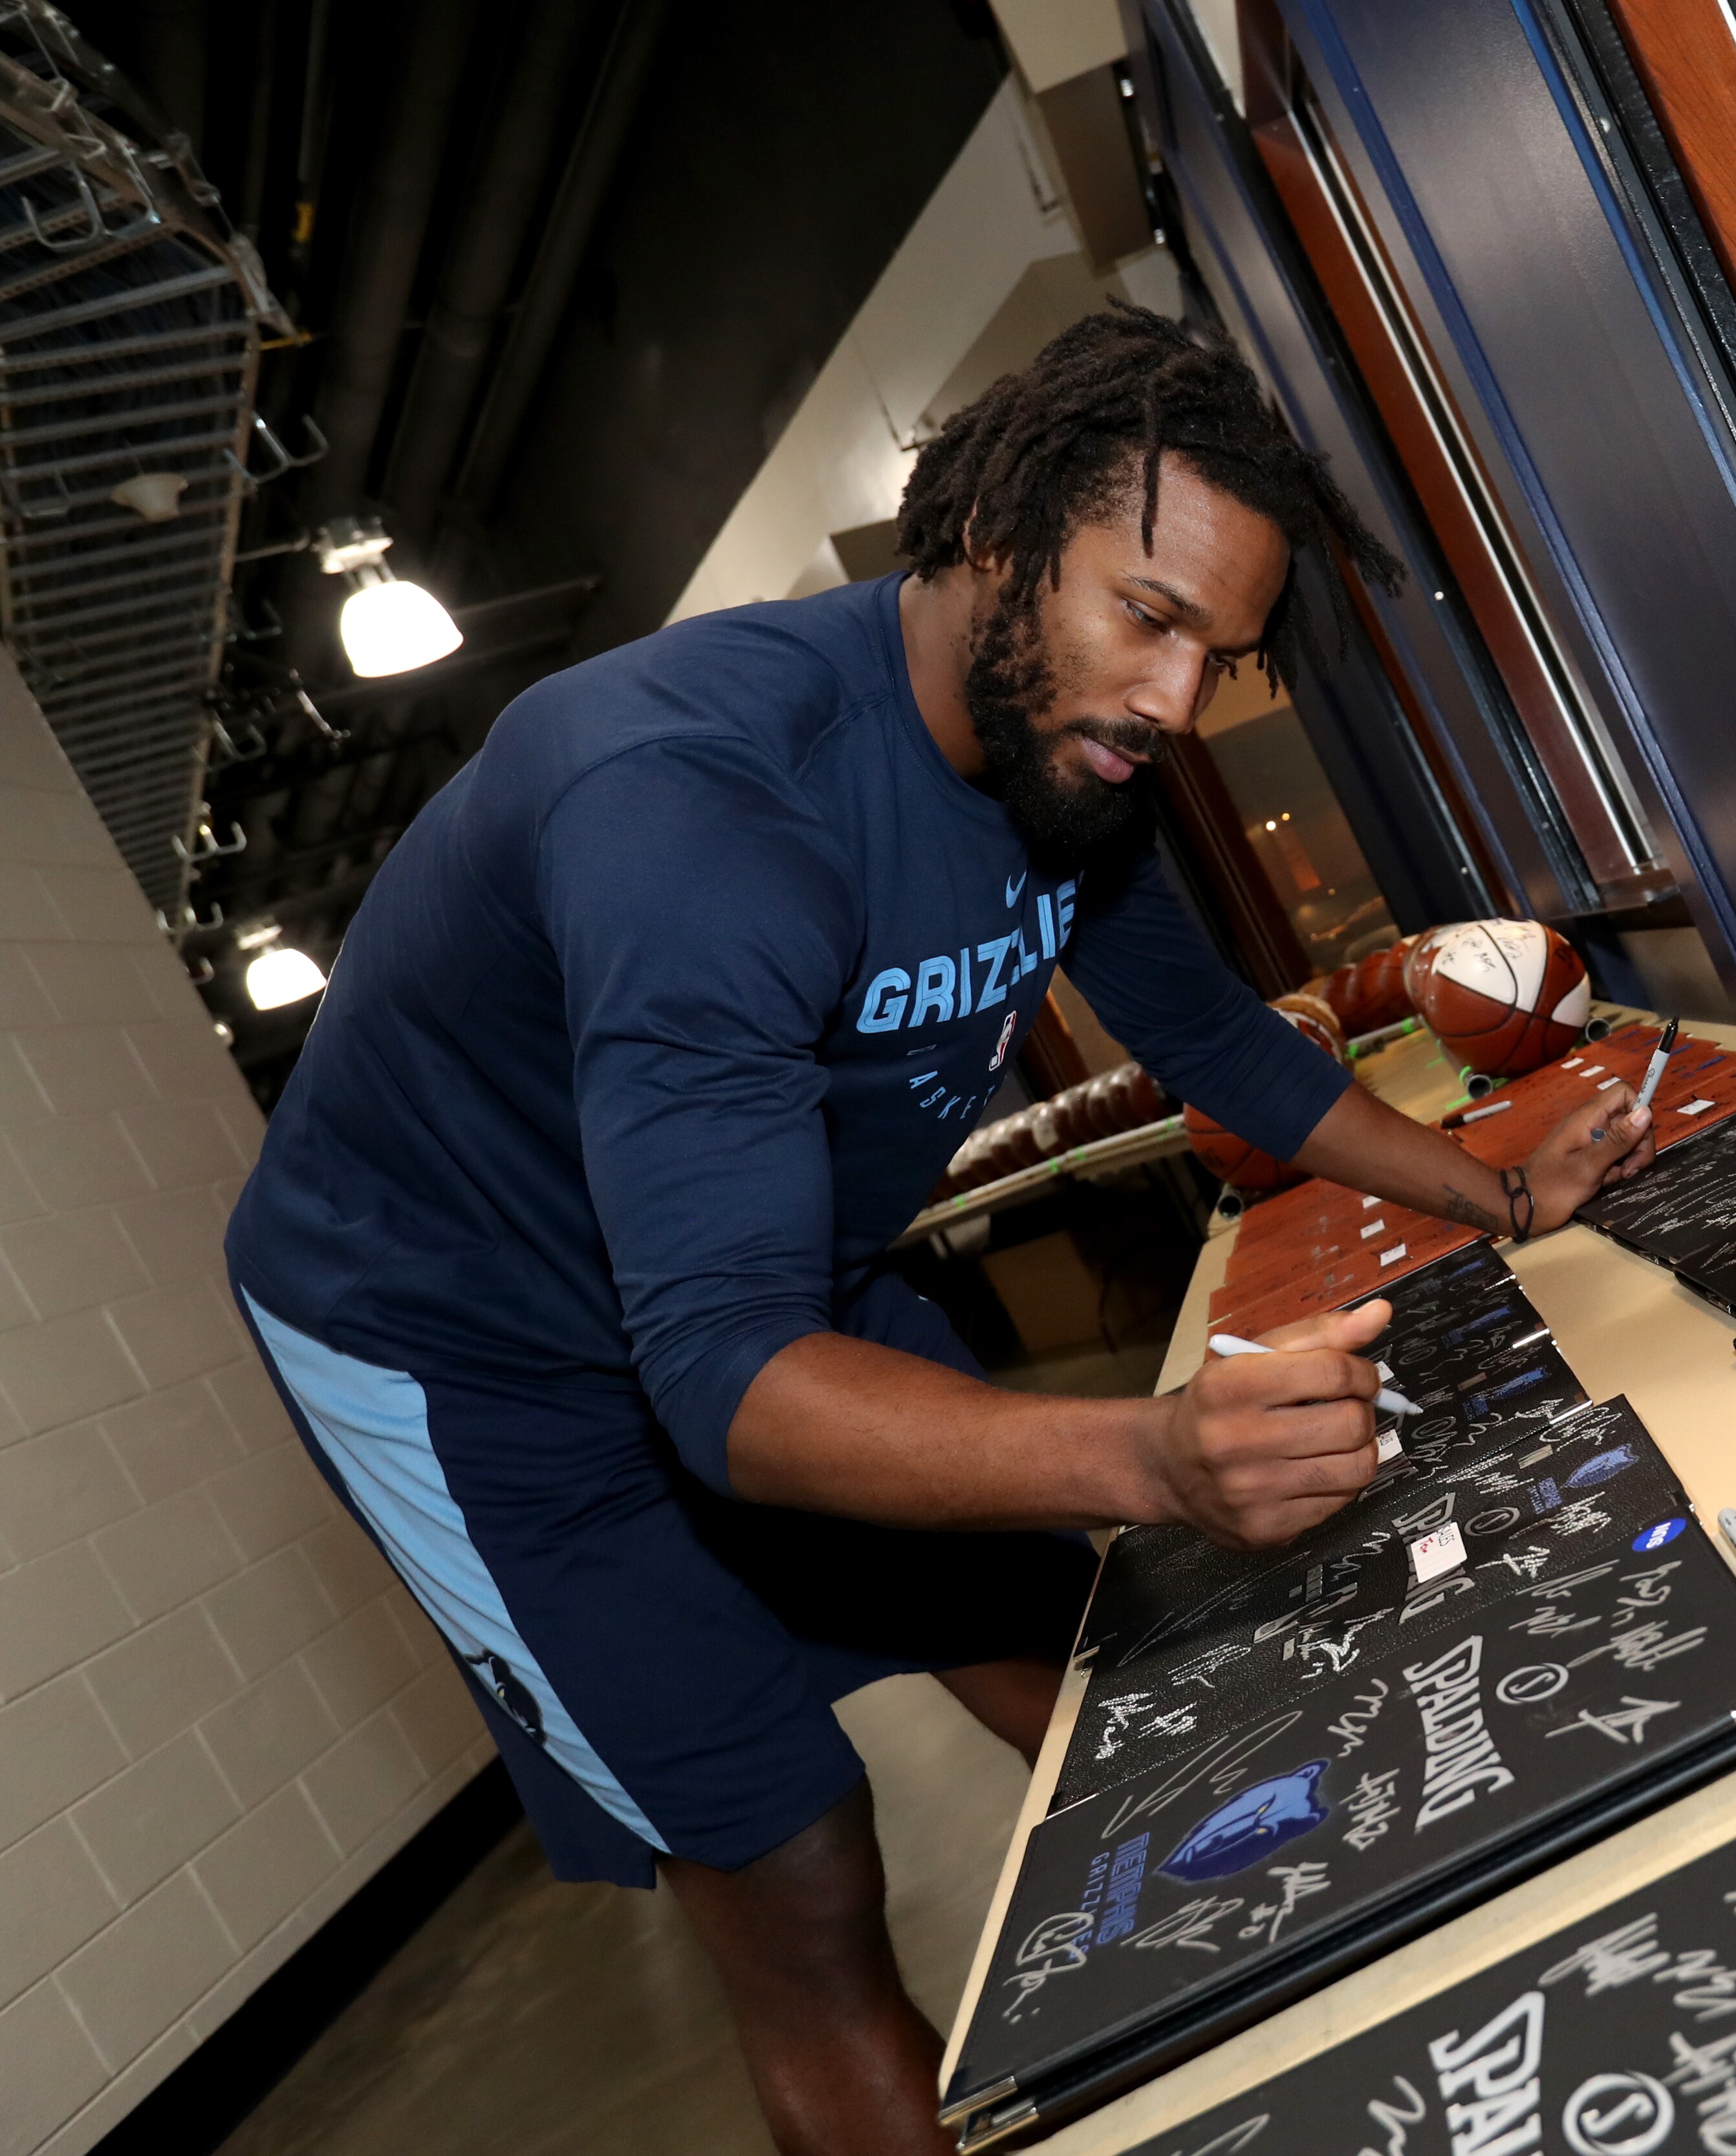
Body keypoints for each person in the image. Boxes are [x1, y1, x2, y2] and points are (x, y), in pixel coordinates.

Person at [221, 306, 1656, 2155]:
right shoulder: (693, 806)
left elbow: (1219, 1038)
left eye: (1217, 652)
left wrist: (1500, 1185)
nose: (1173, 696)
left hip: (768, 1268)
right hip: (474, 1350)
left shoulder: (1073, 766)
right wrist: (1150, 1445)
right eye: (1144, 612)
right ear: (993, 530)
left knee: (1097, 1648)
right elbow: (729, 1388)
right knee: (804, 1868)